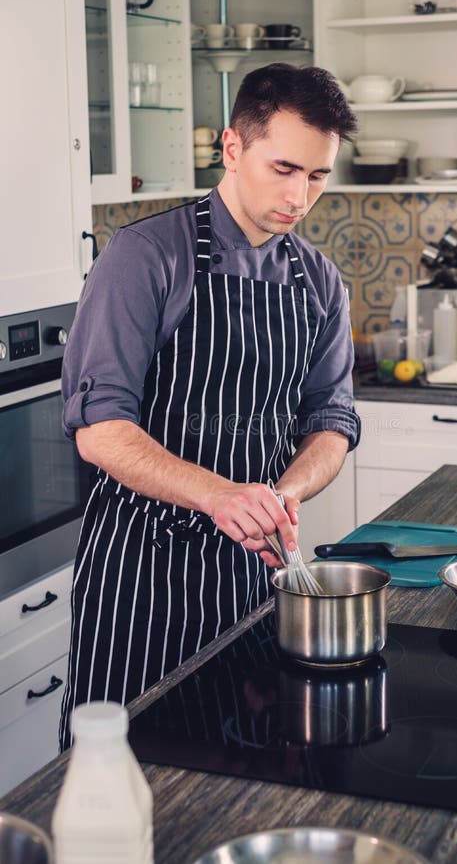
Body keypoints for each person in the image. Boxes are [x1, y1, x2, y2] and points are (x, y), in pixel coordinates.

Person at [58, 63, 360, 749]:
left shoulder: (318, 280)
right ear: (231, 147)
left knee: (241, 762)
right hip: (141, 576)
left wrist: (284, 495)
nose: (300, 196)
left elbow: (331, 423)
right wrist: (221, 496)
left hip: (255, 575)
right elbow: (101, 431)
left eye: (318, 175)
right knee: (123, 772)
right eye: (284, 168)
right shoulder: (143, 256)